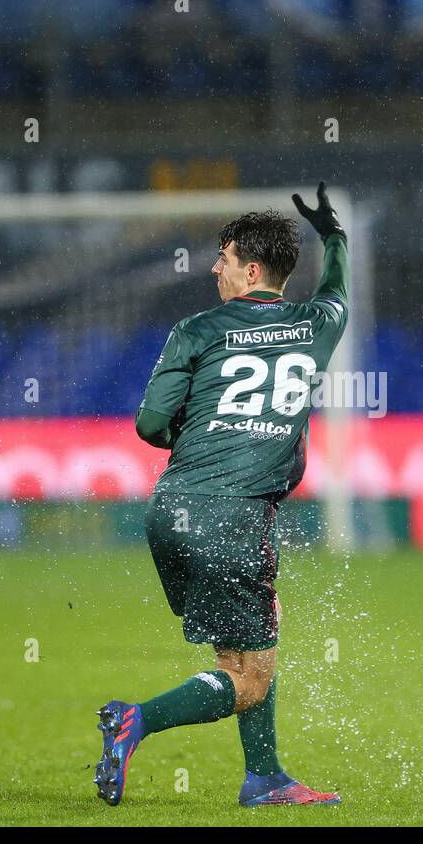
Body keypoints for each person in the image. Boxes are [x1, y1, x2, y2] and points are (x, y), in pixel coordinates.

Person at [94, 182, 349, 807]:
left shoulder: (196, 330)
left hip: (170, 511)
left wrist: (204, 433)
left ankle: (264, 778)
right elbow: (337, 290)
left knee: (247, 645)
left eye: (225, 257)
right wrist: (334, 236)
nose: (215, 267)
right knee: (250, 678)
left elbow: (150, 424)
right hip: (233, 517)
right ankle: (137, 721)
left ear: (252, 270)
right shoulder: (316, 325)